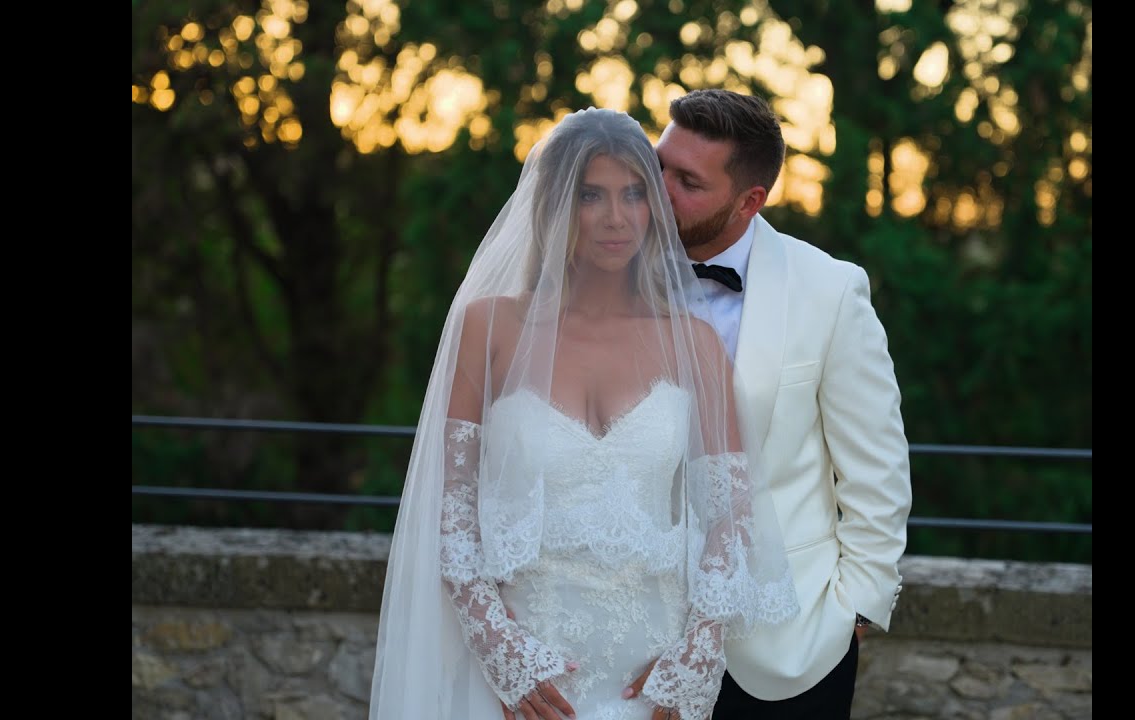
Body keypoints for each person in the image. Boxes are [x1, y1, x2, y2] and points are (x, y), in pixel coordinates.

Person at [368, 107, 799, 720]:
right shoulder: (489, 327)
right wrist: (500, 649)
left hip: (651, 680)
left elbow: (730, 514)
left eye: (634, 195)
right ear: (553, 206)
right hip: (523, 676)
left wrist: (697, 655)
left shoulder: (694, 341)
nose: (616, 218)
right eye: (590, 195)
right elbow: (453, 508)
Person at [626, 89, 913, 719]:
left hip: (787, 646)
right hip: (630, 638)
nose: (658, 189)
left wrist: (857, 609)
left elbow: (876, 467)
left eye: (687, 181)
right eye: (658, 164)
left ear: (748, 200)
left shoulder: (830, 290)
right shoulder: (605, 274)